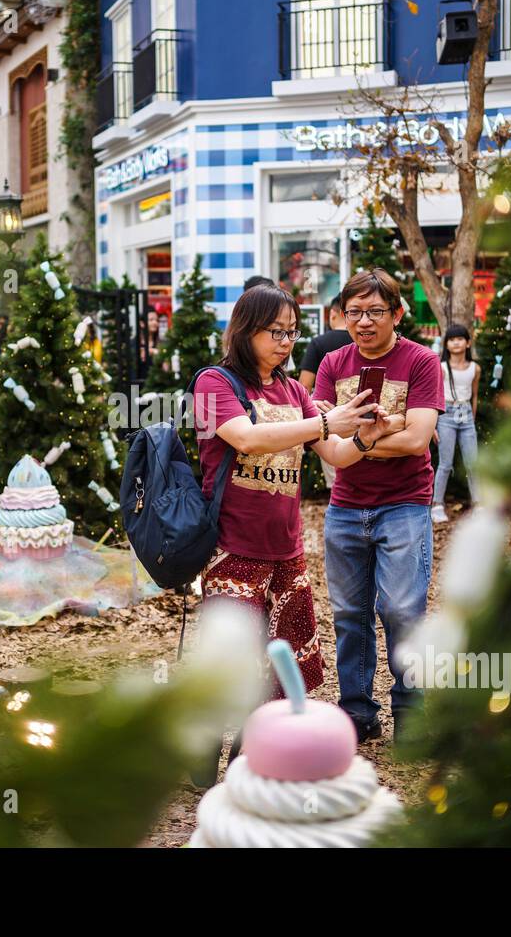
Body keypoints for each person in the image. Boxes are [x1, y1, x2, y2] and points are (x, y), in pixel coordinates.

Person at [192, 284, 380, 777]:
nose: (286, 342)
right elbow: (247, 438)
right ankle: (203, 744)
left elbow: (337, 453)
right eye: (276, 331)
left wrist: (363, 435)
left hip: (287, 552)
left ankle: (249, 754)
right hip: (232, 550)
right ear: (245, 328)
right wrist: (323, 423)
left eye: (293, 333)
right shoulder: (214, 384)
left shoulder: (294, 390)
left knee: (282, 666)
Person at [312, 270, 444, 744]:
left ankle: (411, 713)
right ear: (341, 315)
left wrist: (359, 437)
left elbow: (417, 440)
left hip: (404, 505)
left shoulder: (422, 362)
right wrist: (380, 432)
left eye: (375, 311)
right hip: (345, 507)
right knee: (349, 614)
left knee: (402, 610)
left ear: (397, 313)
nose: (363, 322)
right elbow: (323, 445)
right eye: (353, 312)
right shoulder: (332, 364)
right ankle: (357, 714)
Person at [298, 294, 353, 491]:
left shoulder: (319, 343)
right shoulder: (367, 343)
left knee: (337, 485)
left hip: (329, 419)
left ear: (333, 314)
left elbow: (304, 385)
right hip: (363, 419)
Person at [431, 323, 480, 524]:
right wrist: (432, 425)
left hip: (466, 414)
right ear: (446, 344)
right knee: (445, 463)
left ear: (468, 343)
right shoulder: (441, 368)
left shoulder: (475, 368)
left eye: (460, 338)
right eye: (451, 339)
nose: (456, 342)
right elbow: (433, 396)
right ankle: (437, 504)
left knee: (473, 464)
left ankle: (479, 504)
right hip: (446, 414)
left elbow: (475, 395)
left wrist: (472, 418)